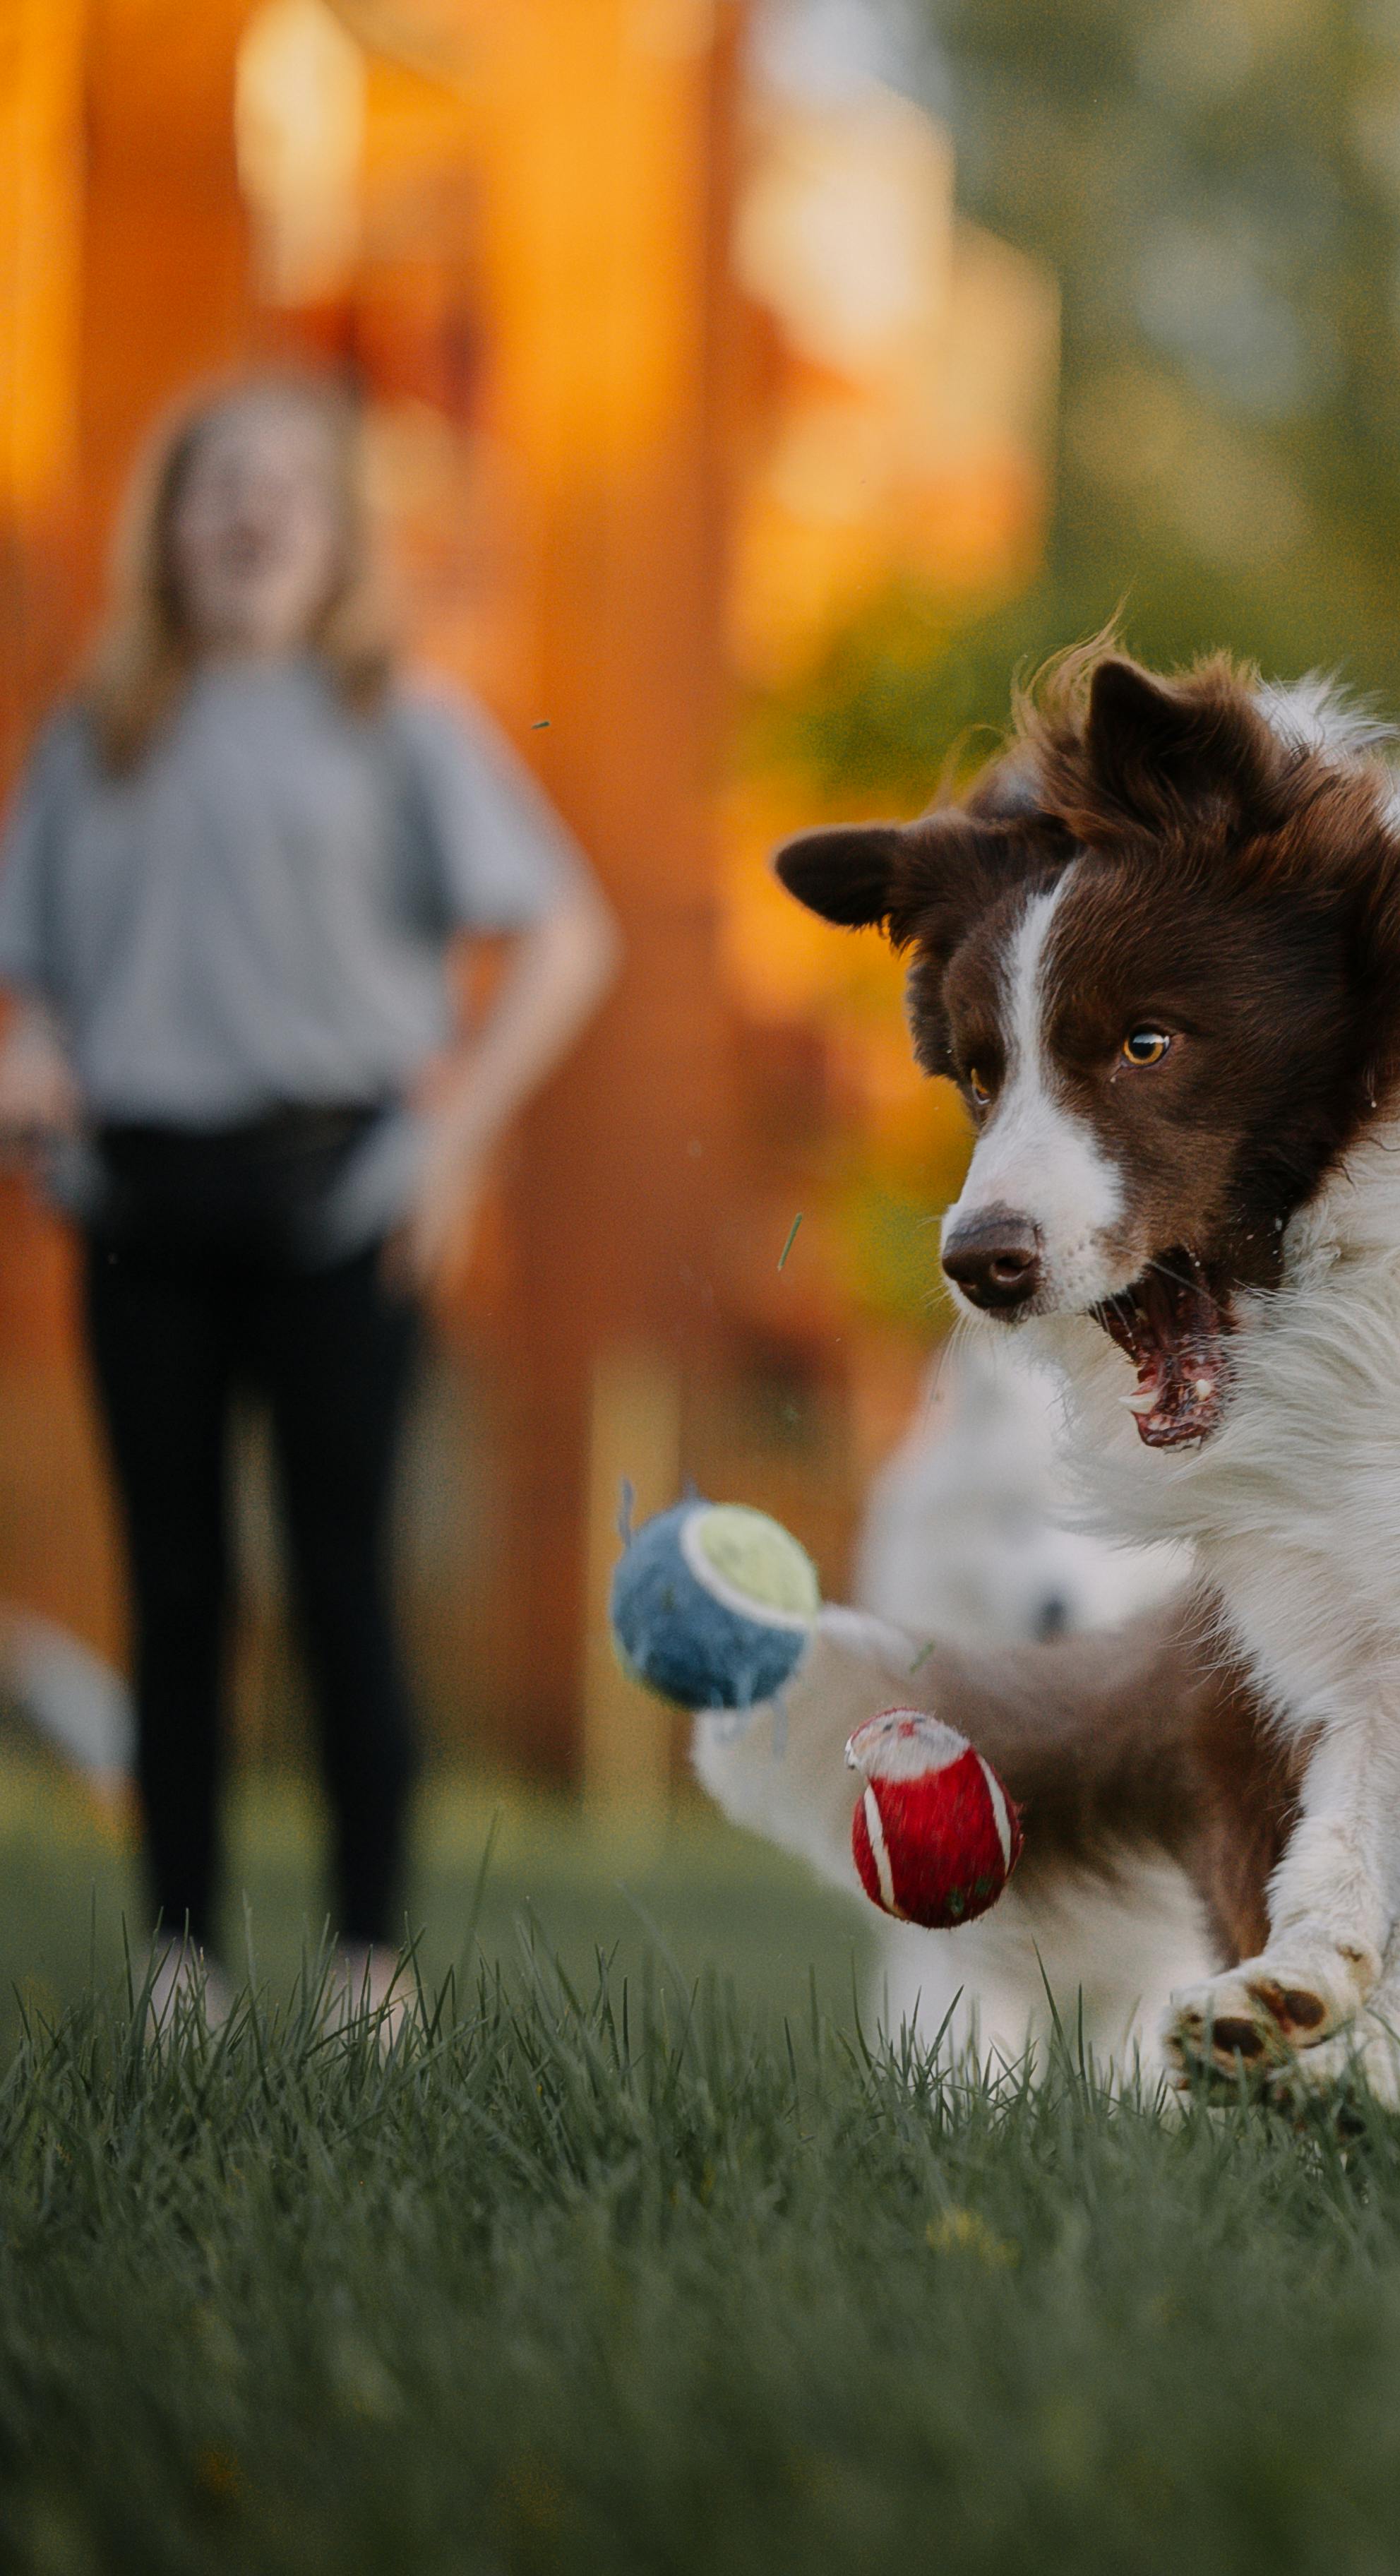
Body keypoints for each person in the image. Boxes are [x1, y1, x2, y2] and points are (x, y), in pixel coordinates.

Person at [0, 374, 618, 2032]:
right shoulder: (98, 729)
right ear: (172, 531)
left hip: (345, 1198)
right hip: (141, 1200)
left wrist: (462, 1133)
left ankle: (367, 1963)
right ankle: (182, 1960)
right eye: (217, 486)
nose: (250, 510)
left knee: (343, 1579)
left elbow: (566, 934)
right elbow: (32, 965)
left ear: (338, 534)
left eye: (286, 485)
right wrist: (37, 1048)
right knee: (177, 1588)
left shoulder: (398, 720)